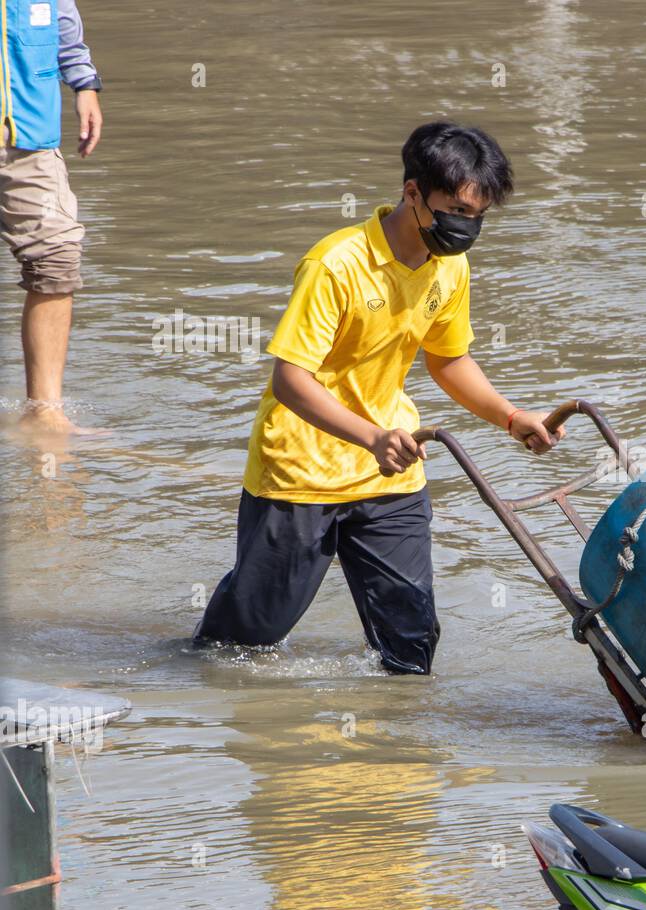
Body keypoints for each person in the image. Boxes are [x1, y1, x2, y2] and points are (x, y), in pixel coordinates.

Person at [193, 122, 564, 674]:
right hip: (302, 471)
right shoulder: (336, 265)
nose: (465, 227)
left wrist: (511, 418)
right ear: (412, 192)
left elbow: (449, 360)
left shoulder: (450, 267)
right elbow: (290, 378)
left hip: (392, 468)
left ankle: (401, 750)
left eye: (477, 216)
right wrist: (370, 436)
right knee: (246, 639)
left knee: (411, 643)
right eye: (456, 210)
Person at [1, 0, 104, 434]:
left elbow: (64, 29)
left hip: (29, 135)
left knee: (58, 256)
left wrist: (84, 85)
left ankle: (43, 412)